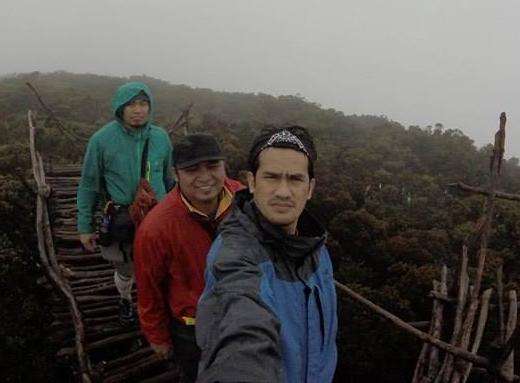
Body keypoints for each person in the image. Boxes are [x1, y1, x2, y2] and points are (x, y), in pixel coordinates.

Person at [196, 126, 338, 383]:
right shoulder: (235, 256)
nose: (283, 191)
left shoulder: (316, 248)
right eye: (271, 177)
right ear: (252, 182)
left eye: (295, 179)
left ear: (310, 188)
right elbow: (241, 327)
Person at [134, 133, 244, 382]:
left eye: (213, 166)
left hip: (244, 314)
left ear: (224, 166)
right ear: (175, 174)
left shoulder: (245, 202)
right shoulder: (156, 228)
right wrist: (157, 337)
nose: (204, 177)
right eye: (192, 170)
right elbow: (148, 287)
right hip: (192, 327)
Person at [77, 81, 174, 327]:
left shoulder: (161, 137)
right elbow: (89, 184)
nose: (138, 110)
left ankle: (156, 308)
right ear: (120, 108)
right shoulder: (102, 140)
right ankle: (125, 299)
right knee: (126, 269)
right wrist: (85, 226)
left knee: (160, 266)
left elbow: (169, 180)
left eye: (143, 103)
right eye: (131, 104)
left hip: (159, 216)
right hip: (124, 219)